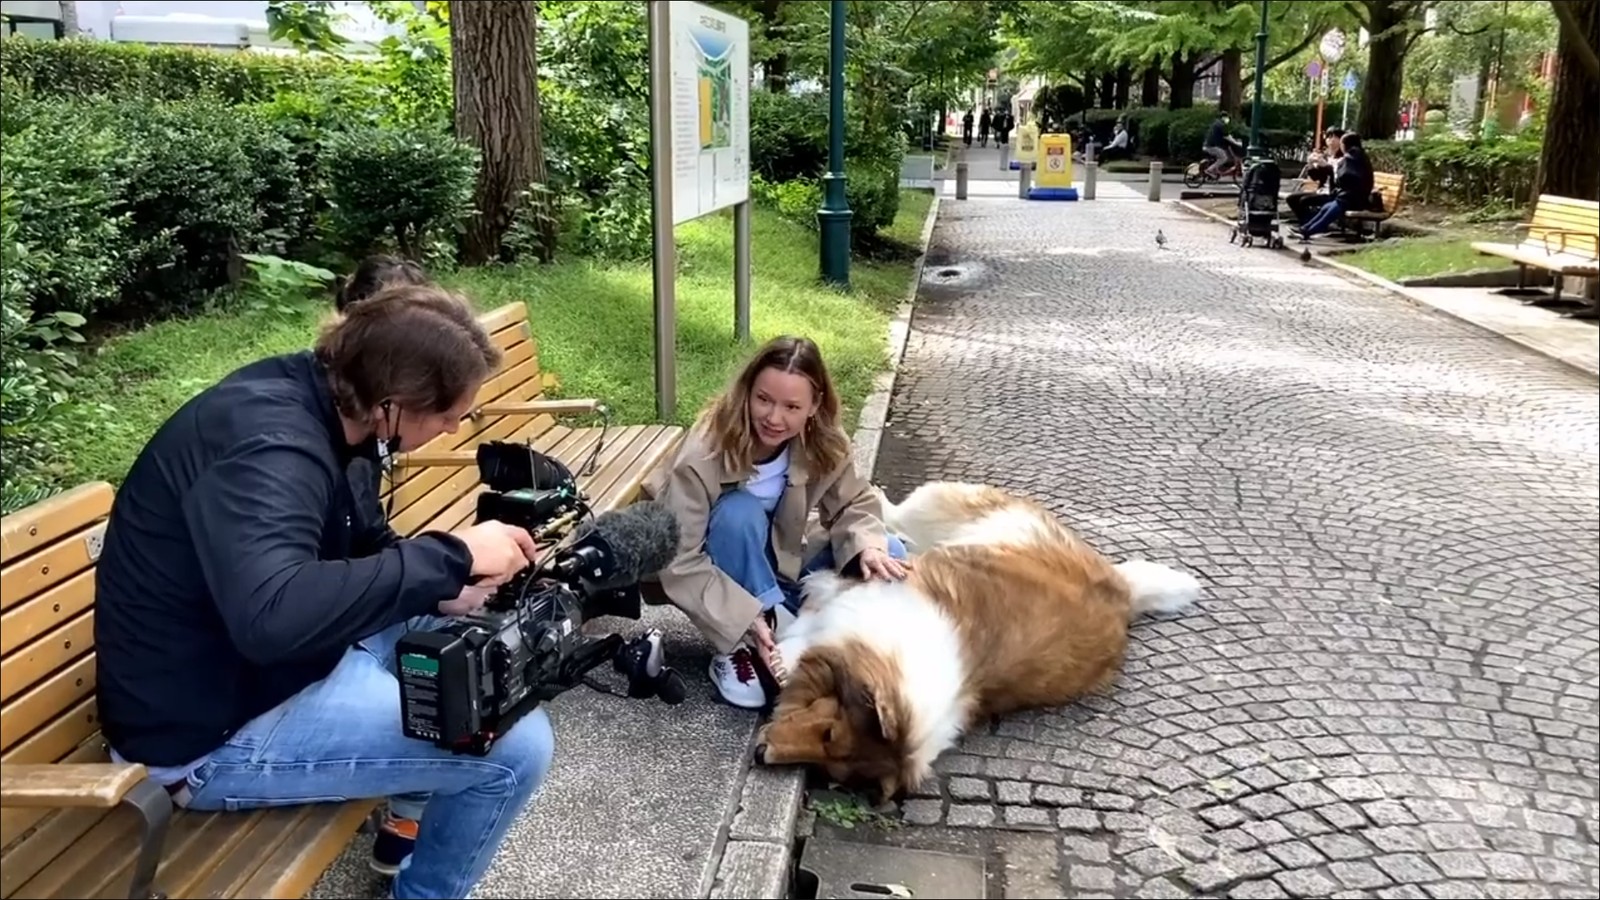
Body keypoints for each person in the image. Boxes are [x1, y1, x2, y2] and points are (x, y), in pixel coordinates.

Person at [92, 285, 555, 900]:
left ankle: (406, 819)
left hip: (266, 670)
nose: (453, 429)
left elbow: (356, 547)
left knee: (476, 662)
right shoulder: (270, 448)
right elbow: (273, 615)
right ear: (394, 404)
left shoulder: (335, 411)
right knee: (514, 749)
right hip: (210, 733)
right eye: (448, 416)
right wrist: (454, 555)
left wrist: (444, 589)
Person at [645, 336, 911, 709]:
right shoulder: (705, 451)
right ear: (747, 392)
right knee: (739, 512)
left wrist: (868, 545)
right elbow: (679, 558)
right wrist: (744, 616)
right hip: (727, 578)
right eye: (764, 399)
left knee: (889, 554)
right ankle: (742, 641)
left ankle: (803, 632)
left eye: (791, 406)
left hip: (784, 560)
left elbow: (855, 501)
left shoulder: (824, 442)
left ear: (814, 406)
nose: (774, 418)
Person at [329, 254, 452, 878]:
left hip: (339, 603)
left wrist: (440, 573)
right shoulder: (318, 427)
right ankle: (409, 804)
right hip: (317, 627)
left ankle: (407, 807)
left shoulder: (367, 422)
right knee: (453, 707)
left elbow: (369, 532)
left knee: (452, 641)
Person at [1293, 131, 1375, 241]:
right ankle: (1305, 228)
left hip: (1353, 199)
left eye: (1341, 143)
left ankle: (1308, 231)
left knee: (1330, 212)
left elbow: (1344, 176)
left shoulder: (1352, 157)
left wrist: (1332, 170)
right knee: (1326, 208)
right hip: (1350, 196)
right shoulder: (1357, 155)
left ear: (1345, 145)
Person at [1285, 127, 1344, 225]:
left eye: (1335, 137)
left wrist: (1327, 166)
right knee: (1291, 198)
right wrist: (1311, 165)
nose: (1331, 140)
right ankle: (1308, 222)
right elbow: (1316, 177)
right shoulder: (1326, 156)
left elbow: (1338, 176)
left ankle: (1311, 224)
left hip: (1333, 193)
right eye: (1329, 136)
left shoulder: (1343, 158)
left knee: (1304, 200)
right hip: (1321, 191)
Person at [1202, 110, 1237, 179]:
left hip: (1209, 145)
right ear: (1224, 117)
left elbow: (1226, 135)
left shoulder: (1216, 123)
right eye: (1227, 118)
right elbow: (1226, 136)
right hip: (1211, 146)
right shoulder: (1221, 125)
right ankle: (1209, 170)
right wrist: (1235, 142)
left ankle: (1215, 171)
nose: (1228, 119)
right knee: (1224, 158)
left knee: (1220, 155)